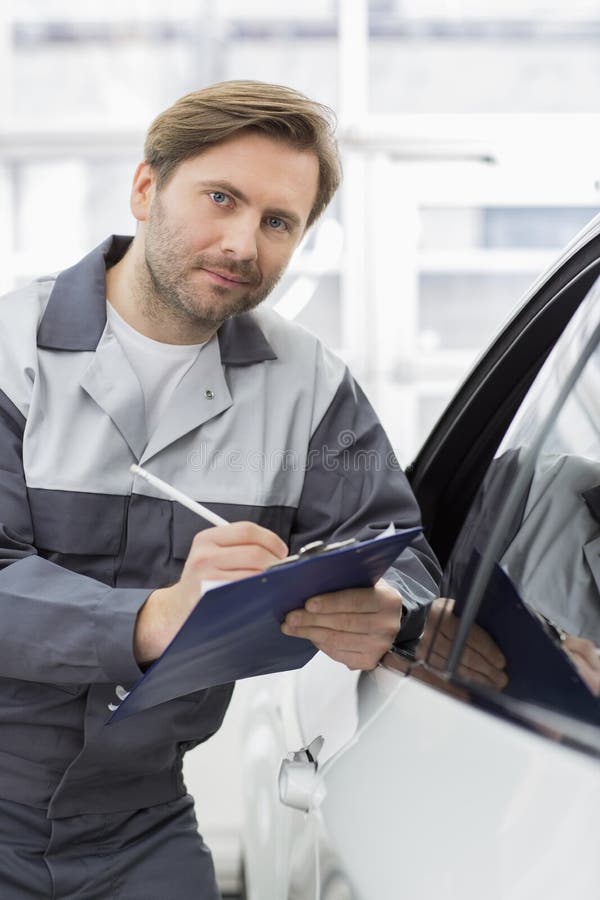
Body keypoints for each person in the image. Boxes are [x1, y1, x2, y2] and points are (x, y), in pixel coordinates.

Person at [0, 80, 442, 898]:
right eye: (220, 198)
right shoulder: (9, 353)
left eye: (279, 222)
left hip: (142, 829)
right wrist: (157, 616)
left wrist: (395, 609)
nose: (243, 242)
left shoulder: (309, 385)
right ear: (144, 188)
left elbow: (400, 551)